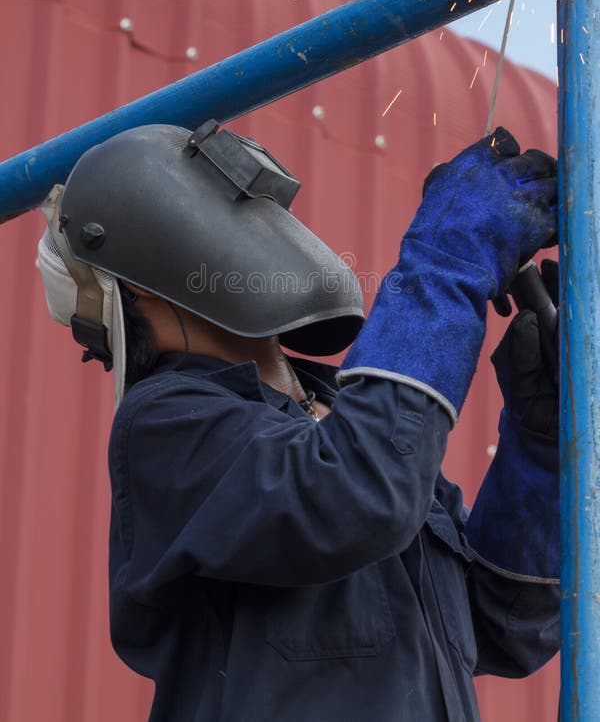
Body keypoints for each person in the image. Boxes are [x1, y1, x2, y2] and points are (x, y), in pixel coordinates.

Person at [37, 122, 559, 722]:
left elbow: (501, 624)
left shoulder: (341, 408)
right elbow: (358, 491)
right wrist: (446, 261)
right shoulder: (166, 426)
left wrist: (540, 444)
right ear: (139, 276)